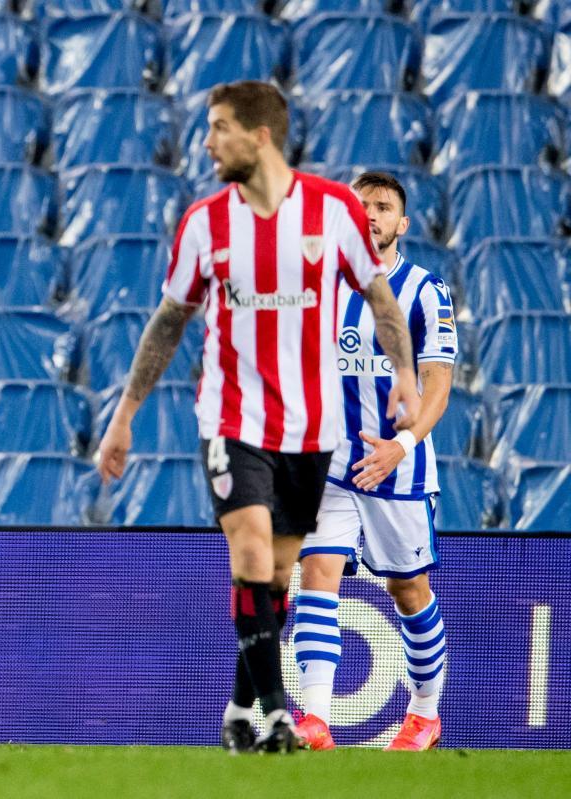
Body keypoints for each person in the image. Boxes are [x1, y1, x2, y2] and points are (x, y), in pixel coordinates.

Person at [97, 81, 421, 754]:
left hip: (311, 428)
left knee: (274, 578)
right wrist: (125, 413)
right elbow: (168, 322)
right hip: (231, 419)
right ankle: (277, 714)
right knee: (247, 549)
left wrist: (407, 377)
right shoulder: (204, 223)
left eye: (218, 128)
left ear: (261, 136)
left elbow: (381, 298)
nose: (207, 142)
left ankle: (241, 705)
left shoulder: (333, 211)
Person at [292, 172, 456, 752]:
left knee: (407, 590)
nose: (370, 215)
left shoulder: (426, 291)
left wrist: (402, 447)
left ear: (401, 224)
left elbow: (439, 386)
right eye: (361, 205)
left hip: (398, 466)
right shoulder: (322, 287)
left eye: (383, 207)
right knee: (316, 572)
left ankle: (426, 715)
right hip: (330, 462)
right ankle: (313, 719)